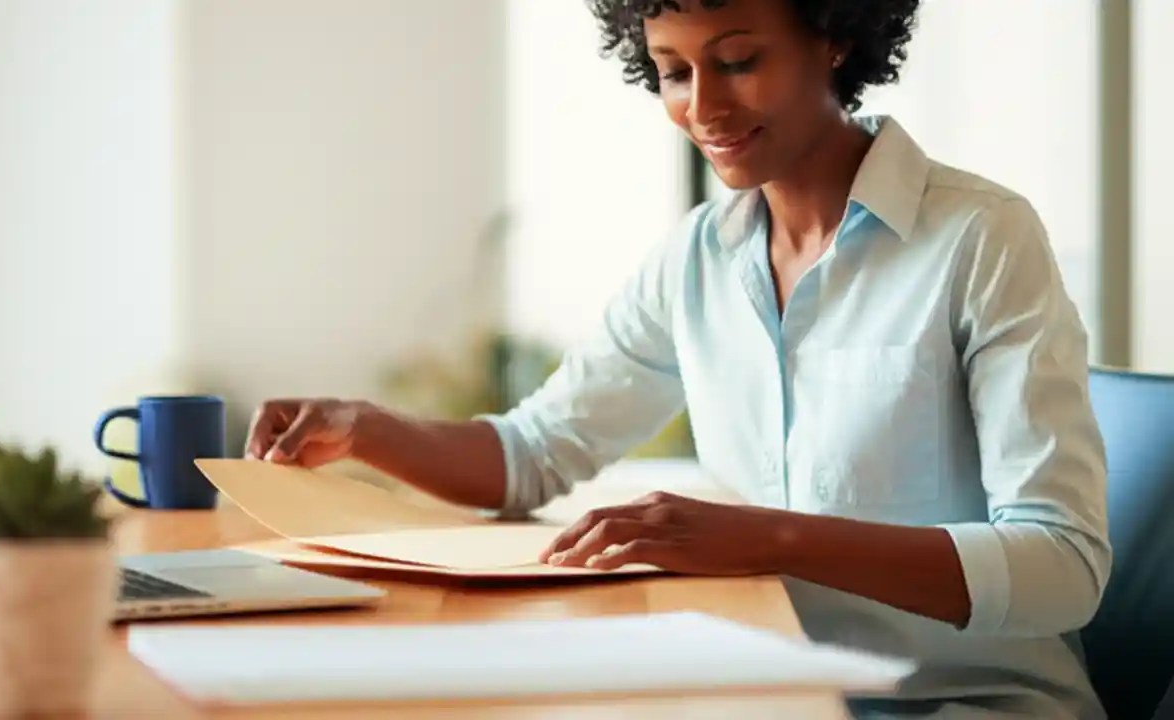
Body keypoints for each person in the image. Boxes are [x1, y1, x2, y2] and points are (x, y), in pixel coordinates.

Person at [245, 1, 1110, 716]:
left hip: (964, 705)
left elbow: (1062, 567)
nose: (703, 106)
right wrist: (364, 427)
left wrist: (762, 539)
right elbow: (532, 454)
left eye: (738, 60)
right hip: (765, 695)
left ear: (835, 36)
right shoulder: (698, 258)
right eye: (673, 71)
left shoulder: (979, 238)